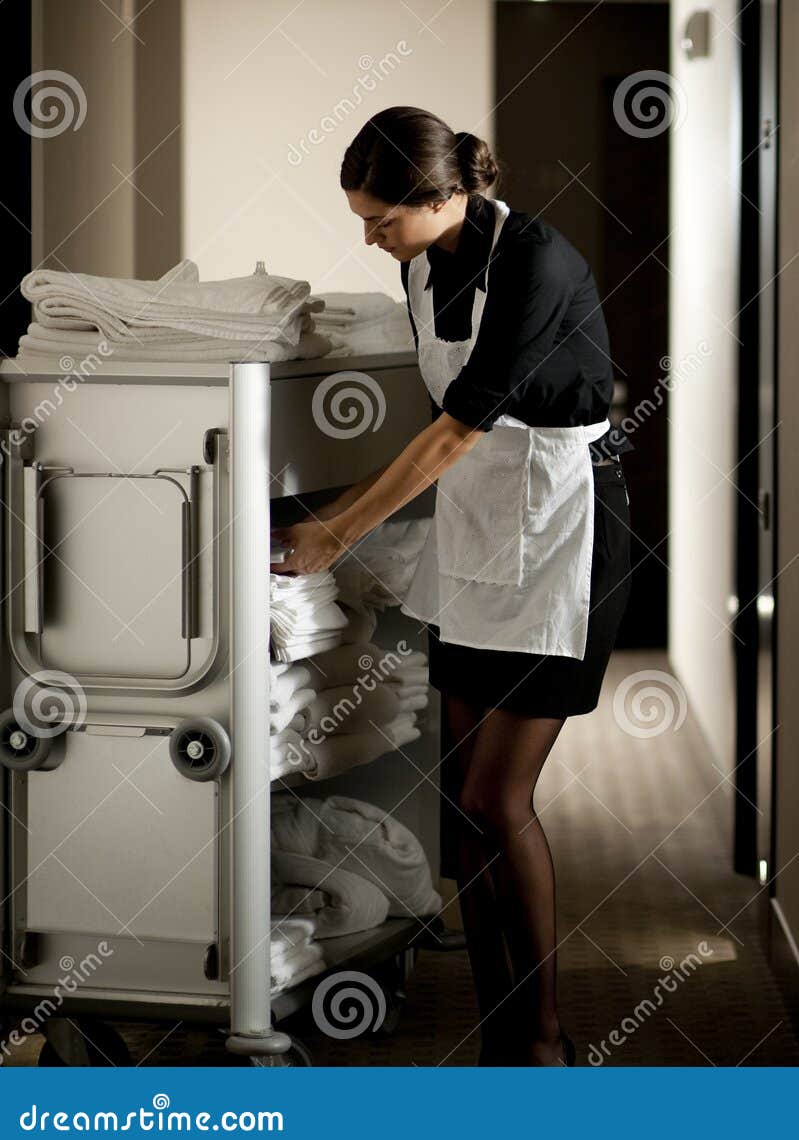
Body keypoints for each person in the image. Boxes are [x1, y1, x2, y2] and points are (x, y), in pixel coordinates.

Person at [272, 105, 634, 1066]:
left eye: (382, 219)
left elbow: (458, 426)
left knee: (497, 797)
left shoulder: (538, 263)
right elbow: (442, 429)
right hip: (477, 525)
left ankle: (546, 1037)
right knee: (459, 802)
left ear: (442, 195)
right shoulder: (421, 260)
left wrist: (337, 530)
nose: (371, 237)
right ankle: (497, 1025)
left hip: (565, 529)